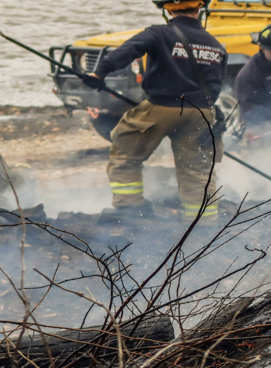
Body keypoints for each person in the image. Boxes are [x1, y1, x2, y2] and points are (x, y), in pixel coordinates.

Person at [82, 1, 226, 222]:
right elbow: (216, 83)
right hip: (201, 113)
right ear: (199, 8)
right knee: (197, 171)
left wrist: (98, 74)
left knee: (125, 154)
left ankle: (129, 212)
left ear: (167, 9)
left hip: (162, 107)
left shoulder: (159, 33)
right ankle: (203, 225)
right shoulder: (215, 45)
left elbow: (128, 50)